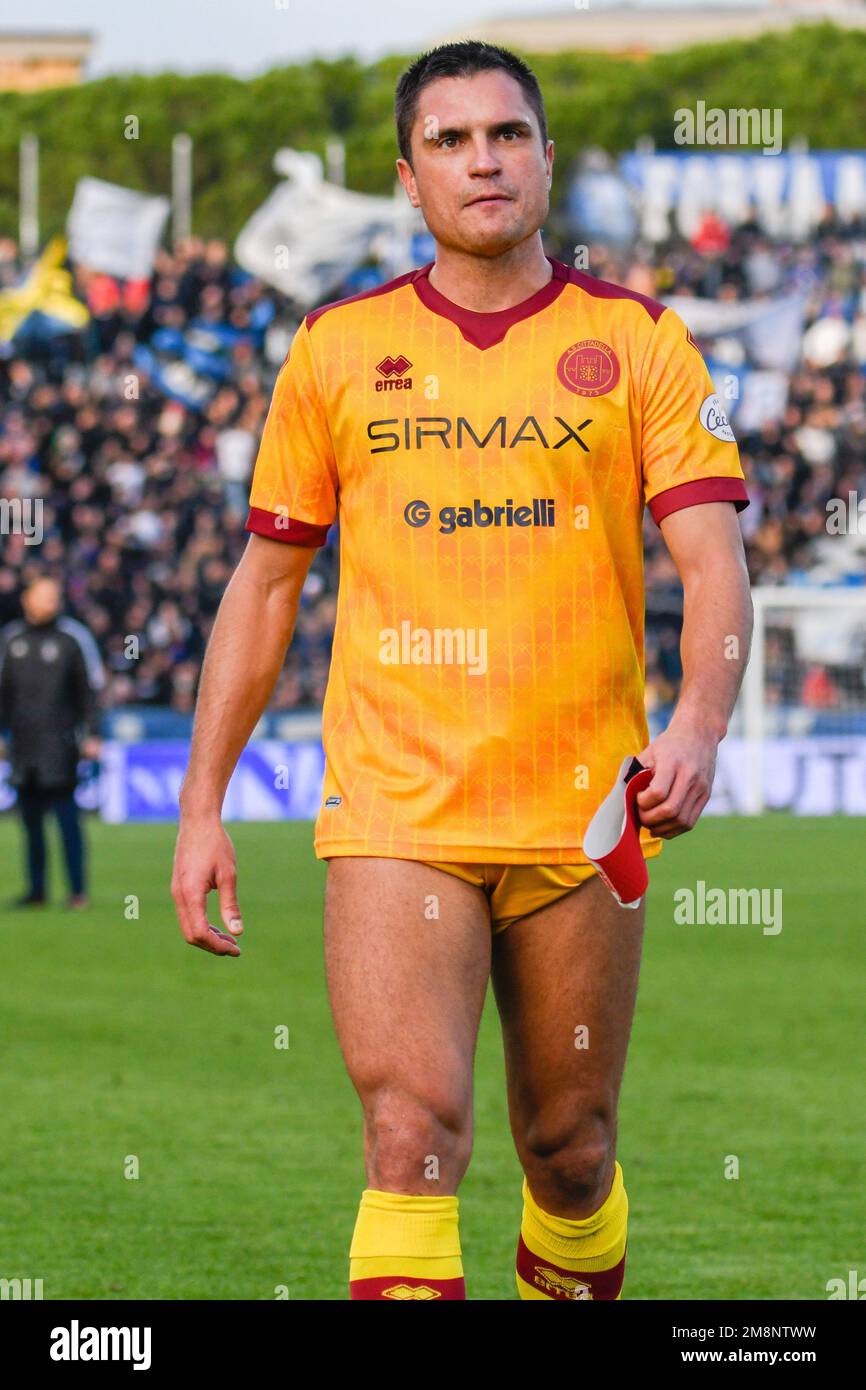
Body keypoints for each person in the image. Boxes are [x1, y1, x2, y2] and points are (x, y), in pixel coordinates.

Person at [172, 40, 753, 1300]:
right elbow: (265, 584)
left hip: (582, 808)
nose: (480, 159)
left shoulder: (643, 342)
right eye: (449, 140)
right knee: (410, 1132)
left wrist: (698, 724)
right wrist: (202, 801)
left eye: (505, 134)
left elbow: (714, 570)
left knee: (571, 1150)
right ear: (408, 174)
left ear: (545, 158)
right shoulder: (334, 348)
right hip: (396, 808)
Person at [0, 577, 103, 909]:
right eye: (43, 595)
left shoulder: (72, 638)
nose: (51, 601)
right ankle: (37, 891)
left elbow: (89, 692)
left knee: (67, 820)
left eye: (54, 596)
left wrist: (92, 734)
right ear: (27, 599)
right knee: (30, 823)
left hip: (60, 747)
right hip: (23, 747)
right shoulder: (11, 639)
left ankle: (77, 891)